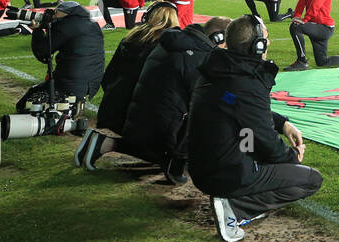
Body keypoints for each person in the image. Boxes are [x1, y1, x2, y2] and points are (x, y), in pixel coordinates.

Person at [188, 14, 324, 242]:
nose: (268, 44)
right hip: (224, 174)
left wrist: (282, 123)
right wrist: (292, 156)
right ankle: (236, 208)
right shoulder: (245, 80)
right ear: (257, 45)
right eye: (266, 39)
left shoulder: (220, 68)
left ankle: (234, 198)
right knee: (310, 179)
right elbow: (264, 139)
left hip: (203, 166)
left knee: (249, 141)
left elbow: (238, 107)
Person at [75, 16, 230, 180]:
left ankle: (102, 142)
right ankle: (176, 163)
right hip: (160, 129)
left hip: (139, 118)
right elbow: (206, 98)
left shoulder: (177, 41)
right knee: (208, 116)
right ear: (218, 37)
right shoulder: (198, 56)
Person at [93, 0, 180, 134]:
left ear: (147, 17)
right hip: (144, 118)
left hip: (112, 107)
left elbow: (108, 77)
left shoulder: (130, 38)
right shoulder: (173, 47)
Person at [24, 0, 105, 103]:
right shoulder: (92, 24)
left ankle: (70, 104)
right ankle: (76, 103)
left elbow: (42, 52)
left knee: (28, 102)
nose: (54, 15)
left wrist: (37, 30)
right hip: (93, 82)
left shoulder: (65, 26)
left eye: (57, 13)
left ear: (66, 13)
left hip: (71, 82)